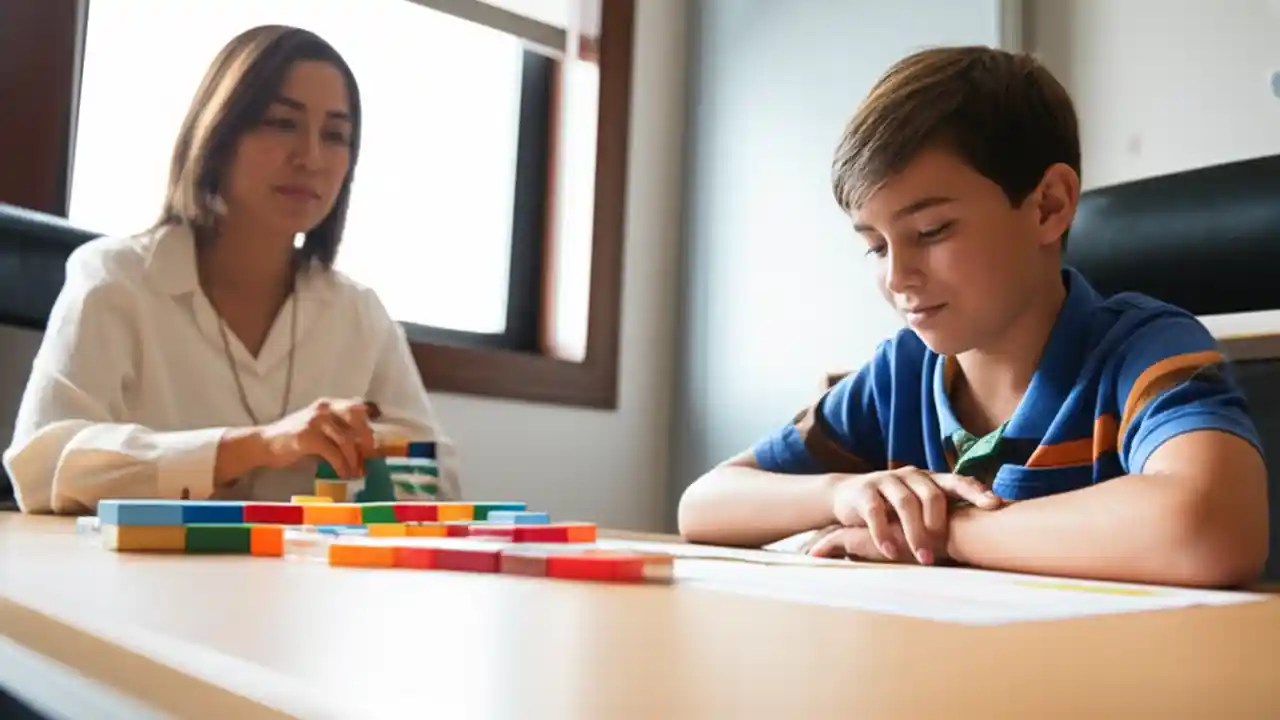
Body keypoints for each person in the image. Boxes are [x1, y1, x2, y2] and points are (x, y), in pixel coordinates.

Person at [677, 46, 1268, 587]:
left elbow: (1212, 528)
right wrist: (844, 494)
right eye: (876, 246)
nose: (896, 276)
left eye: (931, 231)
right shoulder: (899, 376)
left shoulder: (1143, 350)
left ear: (1048, 206)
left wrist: (941, 533)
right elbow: (703, 504)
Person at [3, 25, 460, 513]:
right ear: (219, 133)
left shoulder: (358, 313)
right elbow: (43, 467)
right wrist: (260, 446)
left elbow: (442, 487)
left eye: (335, 135)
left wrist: (375, 448)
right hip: (142, 584)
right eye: (282, 123)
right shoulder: (116, 277)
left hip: (308, 586)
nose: (310, 157)